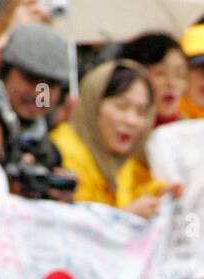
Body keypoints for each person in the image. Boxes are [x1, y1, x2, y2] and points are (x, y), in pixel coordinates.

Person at [49, 60, 180, 216]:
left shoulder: (119, 160)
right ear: (94, 105)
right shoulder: (62, 153)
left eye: (141, 112)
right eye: (121, 106)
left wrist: (159, 193)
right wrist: (124, 217)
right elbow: (68, 228)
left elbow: (129, 192)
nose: (131, 120)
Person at [121, 33, 190, 126]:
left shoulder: (191, 133)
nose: (171, 83)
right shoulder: (122, 130)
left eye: (180, 75)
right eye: (160, 73)